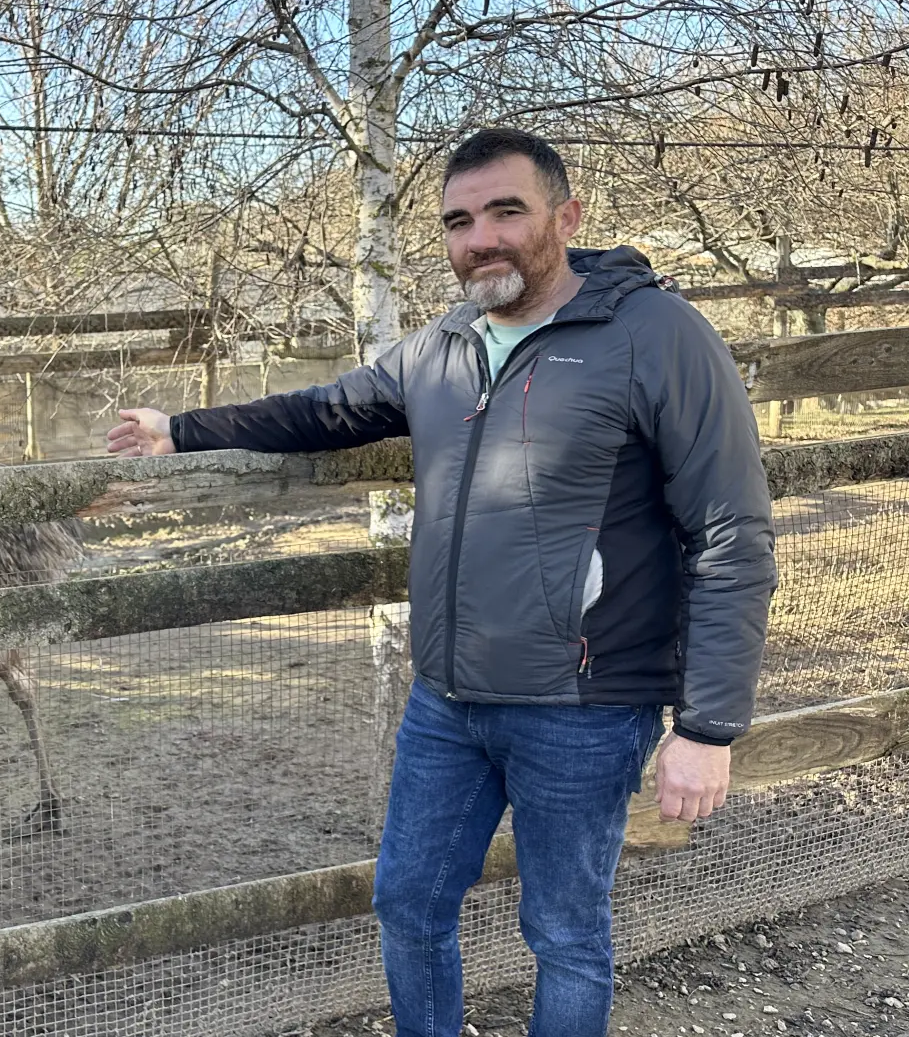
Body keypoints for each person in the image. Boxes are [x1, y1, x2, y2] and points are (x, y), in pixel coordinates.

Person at [107, 128, 775, 1036]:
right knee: (408, 903)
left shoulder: (655, 335)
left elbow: (731, 532)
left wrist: (708, 726)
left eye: (506, 211)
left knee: (565, 933)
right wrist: (181, 430)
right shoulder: (443, 346)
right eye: (460, 222)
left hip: (583, 704)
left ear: (567, 218)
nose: (480, 239)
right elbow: (325, 410)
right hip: (447, 701)